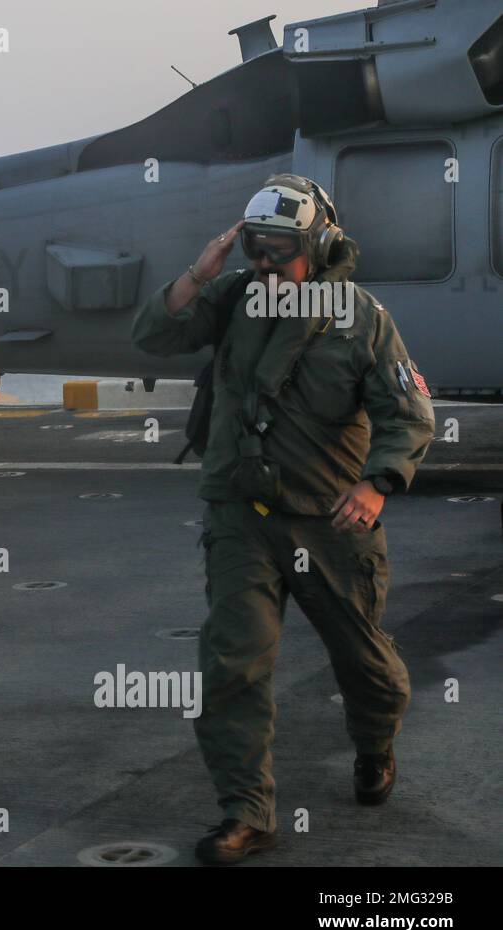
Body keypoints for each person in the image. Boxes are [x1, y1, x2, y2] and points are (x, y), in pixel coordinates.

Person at [131, 173, 435, 864]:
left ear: (320, 244)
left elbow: (409, 414)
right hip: (242, 515)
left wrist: (377, 485)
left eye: (282, 251)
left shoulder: (360, 317)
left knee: (369, 669)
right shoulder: (233, 298)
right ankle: (248, 814)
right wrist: (200, 270)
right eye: (256, 250)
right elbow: (154, 332)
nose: (266, 265)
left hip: (330, 523)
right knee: (232, 665)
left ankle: (374, 744)